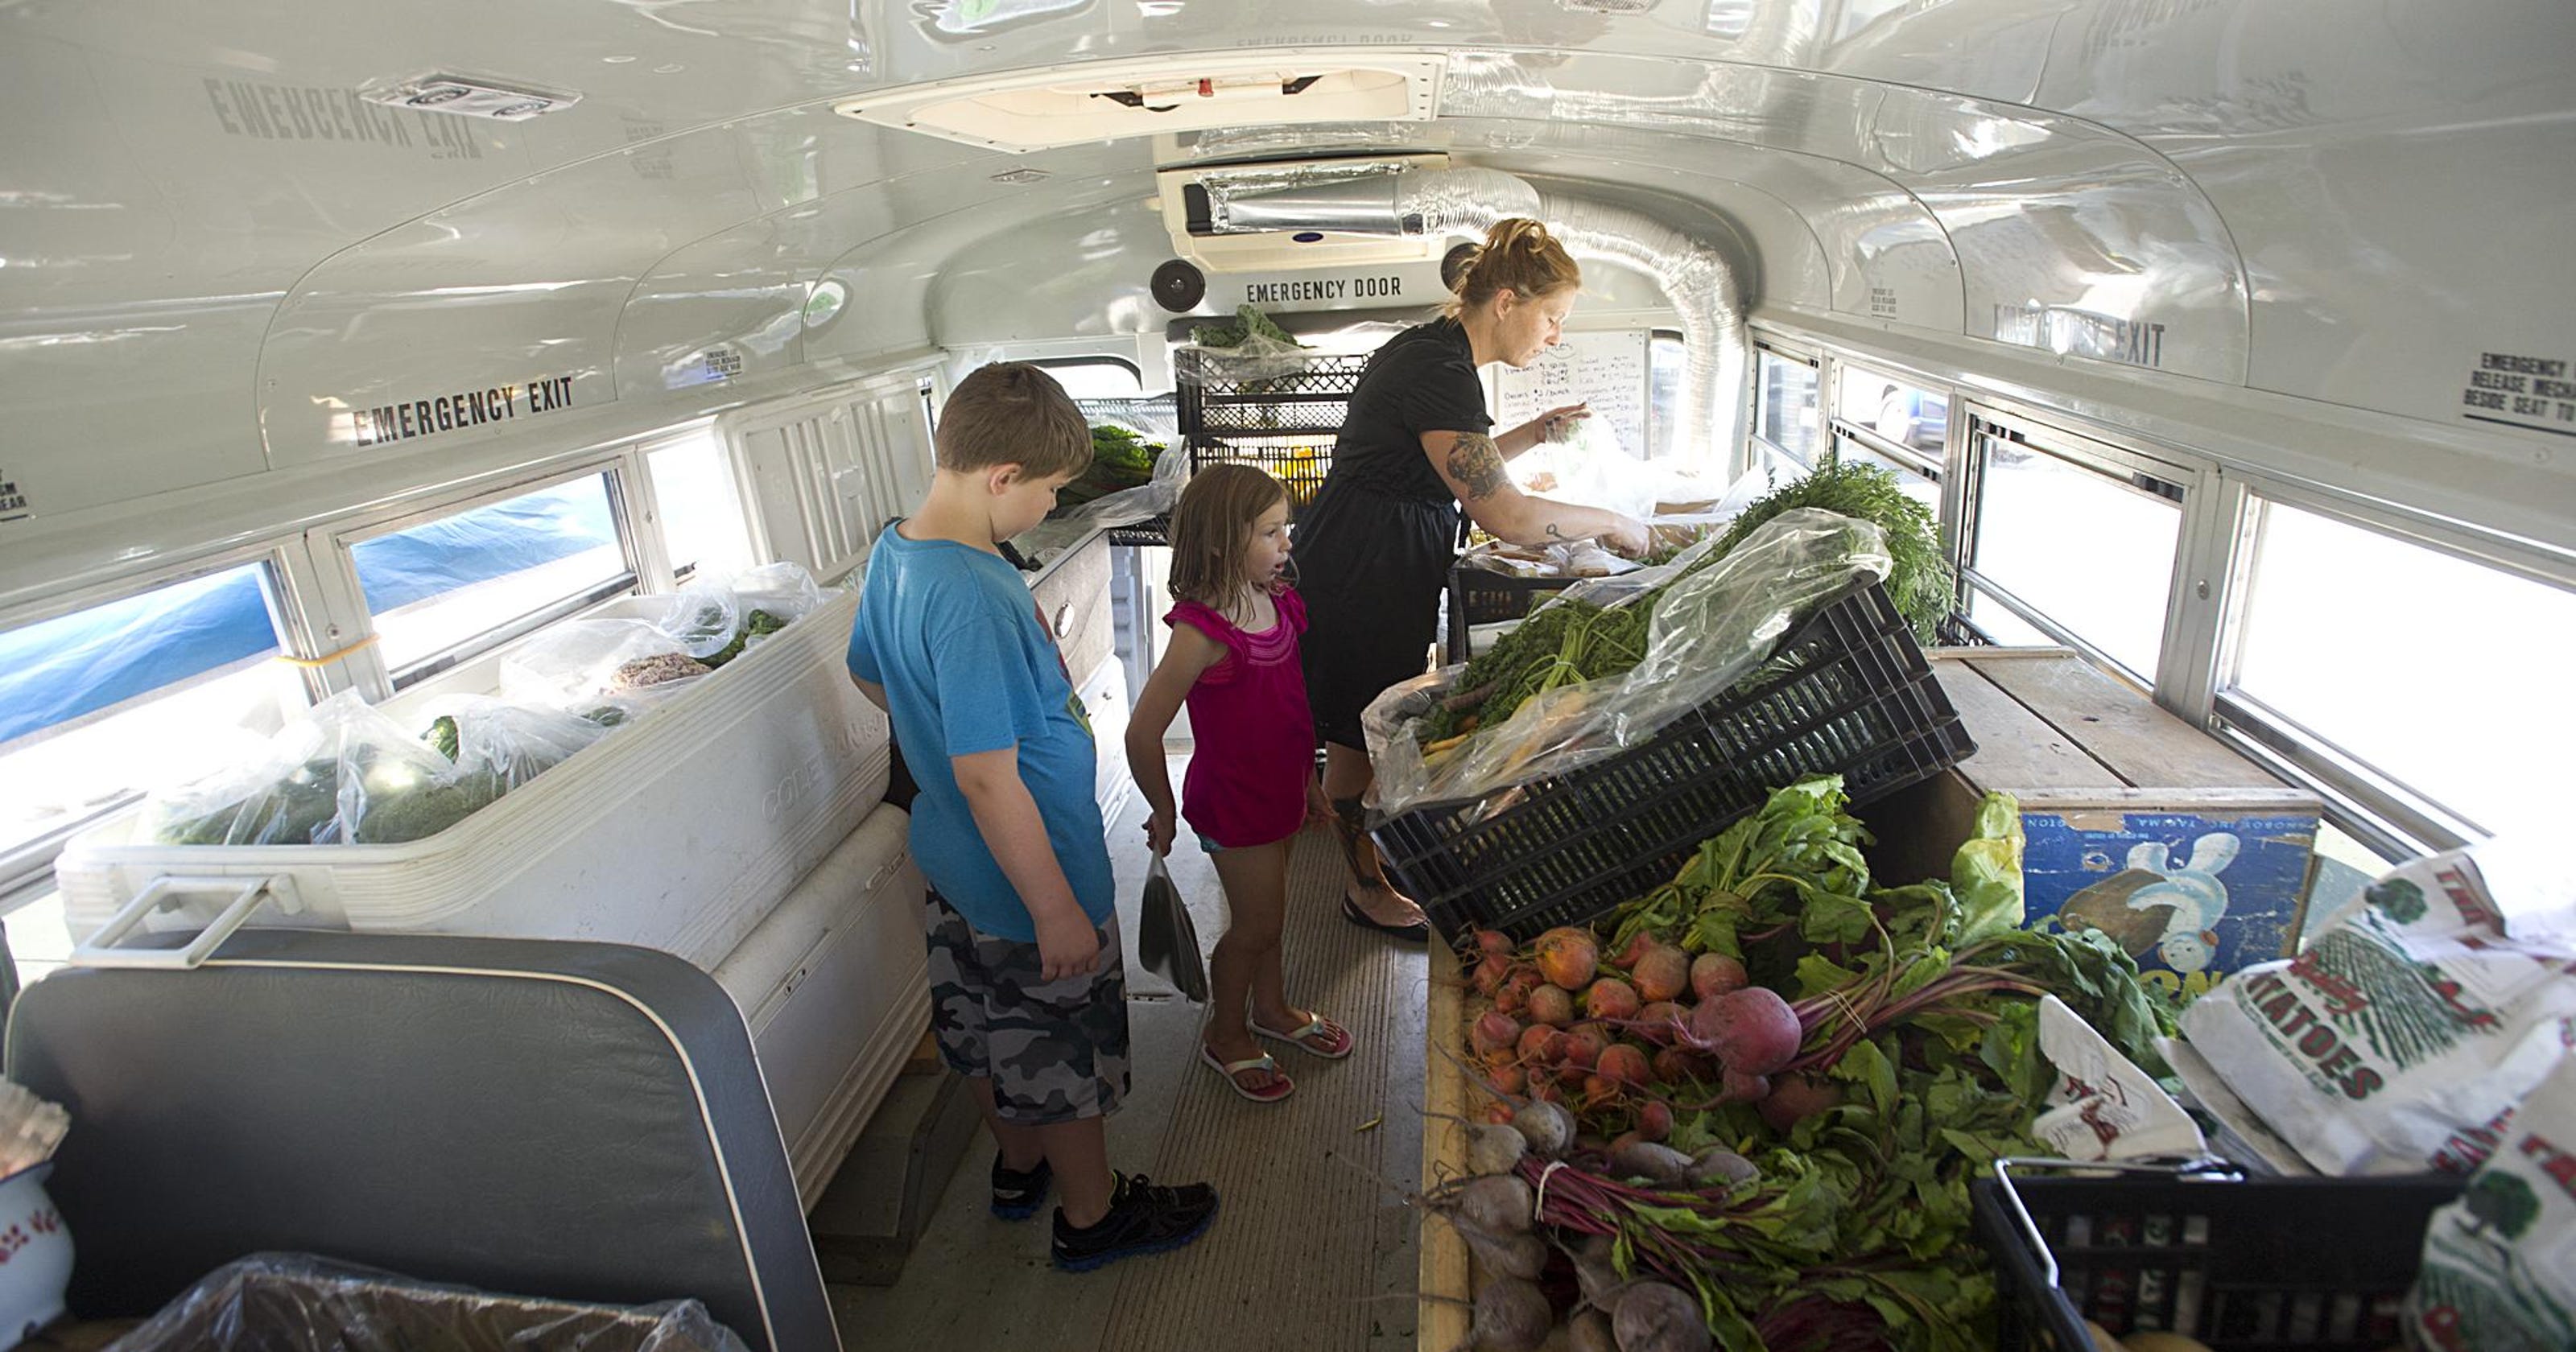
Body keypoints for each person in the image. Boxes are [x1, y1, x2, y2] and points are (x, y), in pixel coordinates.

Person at [845, 361, 1217, 1272]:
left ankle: (1016, 1172)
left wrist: (939, 712)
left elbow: (868, 673)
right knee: (1060, 1055)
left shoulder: (899, 550)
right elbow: (986, 778)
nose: (1051, 506)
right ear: (1000, 478)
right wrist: (1053, 906)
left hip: (953, 863)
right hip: (1025, 874)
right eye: (1050, 489)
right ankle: (1091, 1218)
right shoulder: (972, 592)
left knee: (976, 1024)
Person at [1294, 217, 1650, 940]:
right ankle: (1361, 887)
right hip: (1364, 570)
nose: (1554, 336)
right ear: (1508, 301)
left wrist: (1534, 432)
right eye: (1553, 319)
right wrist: (1610, 522)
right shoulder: (1439, 369)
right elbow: (1508, 515)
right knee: (1359, 735)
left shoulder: (1438, 356)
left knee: (1356, 728)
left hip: (1377, 556)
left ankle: (1360, 869)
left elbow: (1449, 461)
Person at [1125, 464, 1356, 1103]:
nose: (1287, 542)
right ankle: (1226, 1035)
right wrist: (1163, 810)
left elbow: (1291, 704)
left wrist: (1308, 784)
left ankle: (1273, 1010)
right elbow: (1142, 734)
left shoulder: (1274, 598)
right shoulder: (1201, 632)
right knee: (1254, 925)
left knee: (1272, 917)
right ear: (1225, 542)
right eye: (1272, 531)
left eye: (1286, 528)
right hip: (1234, 805)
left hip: (1280, 791)